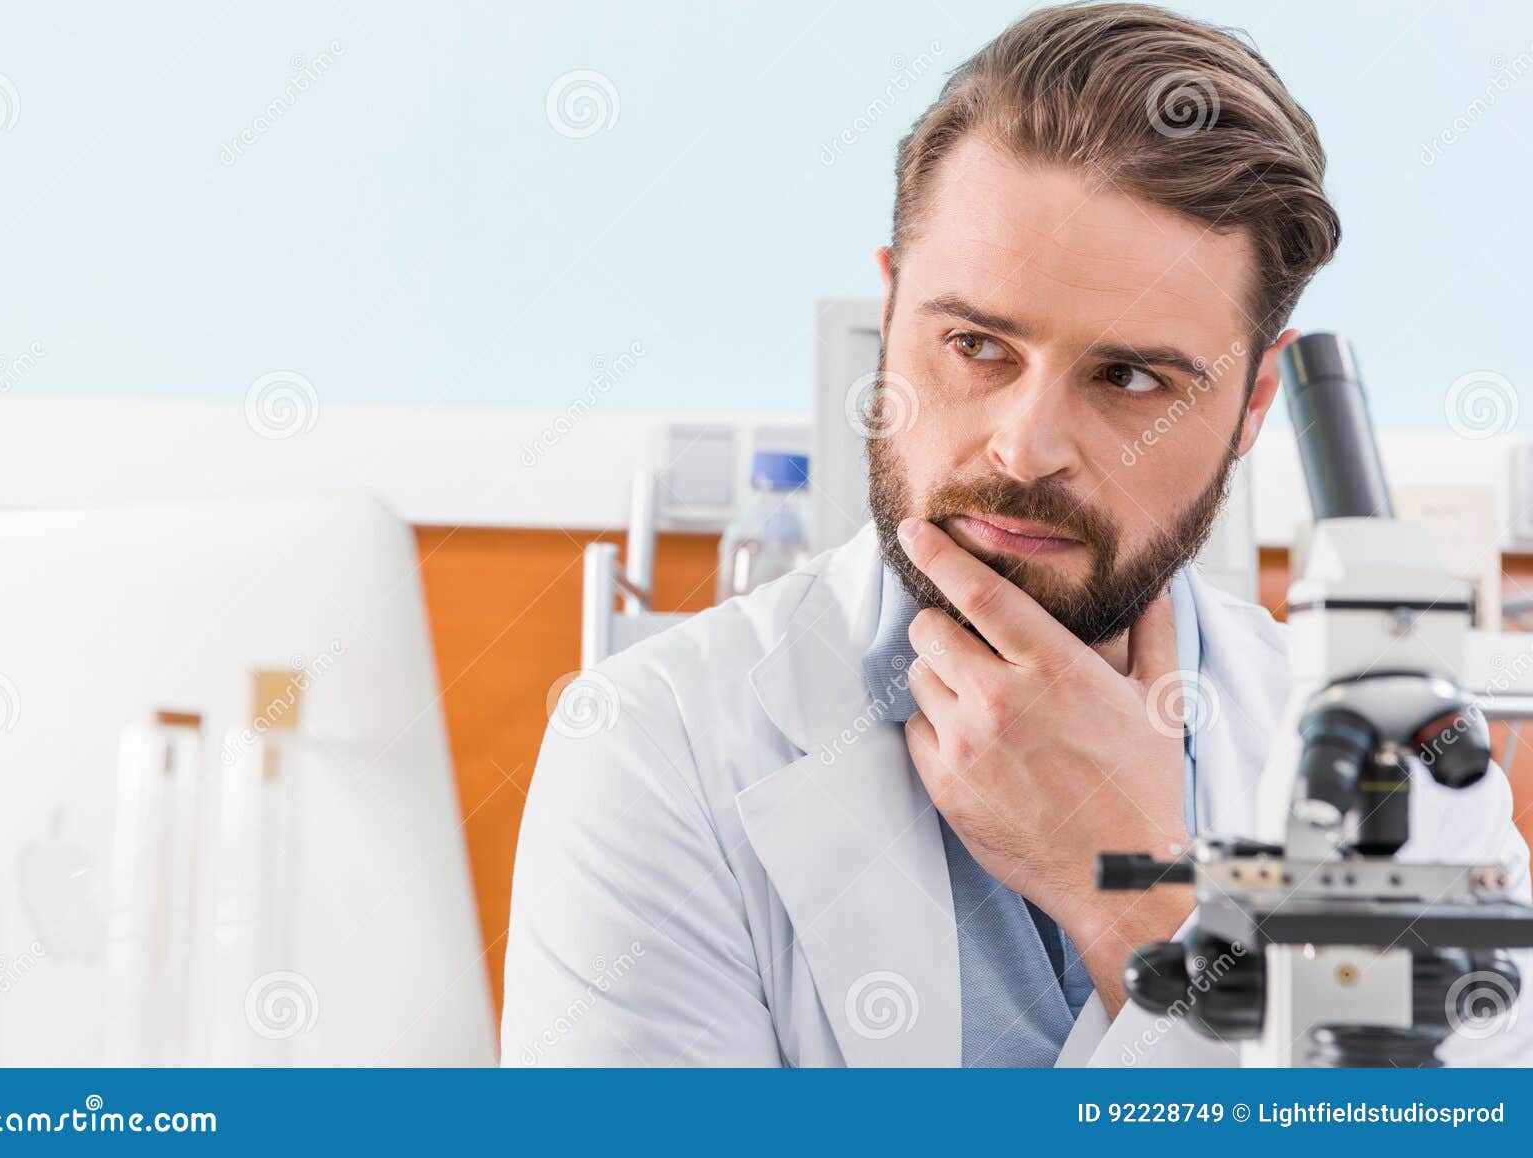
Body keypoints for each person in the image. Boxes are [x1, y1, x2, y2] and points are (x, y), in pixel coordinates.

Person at [500, 2, 1532, 1066]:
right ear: (891, 308)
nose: (1024, 447)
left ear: (1253, 403)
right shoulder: (652, 746)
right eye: (976, 344)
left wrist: (1140, 901)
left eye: (1130, 378)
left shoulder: (1402, 773)